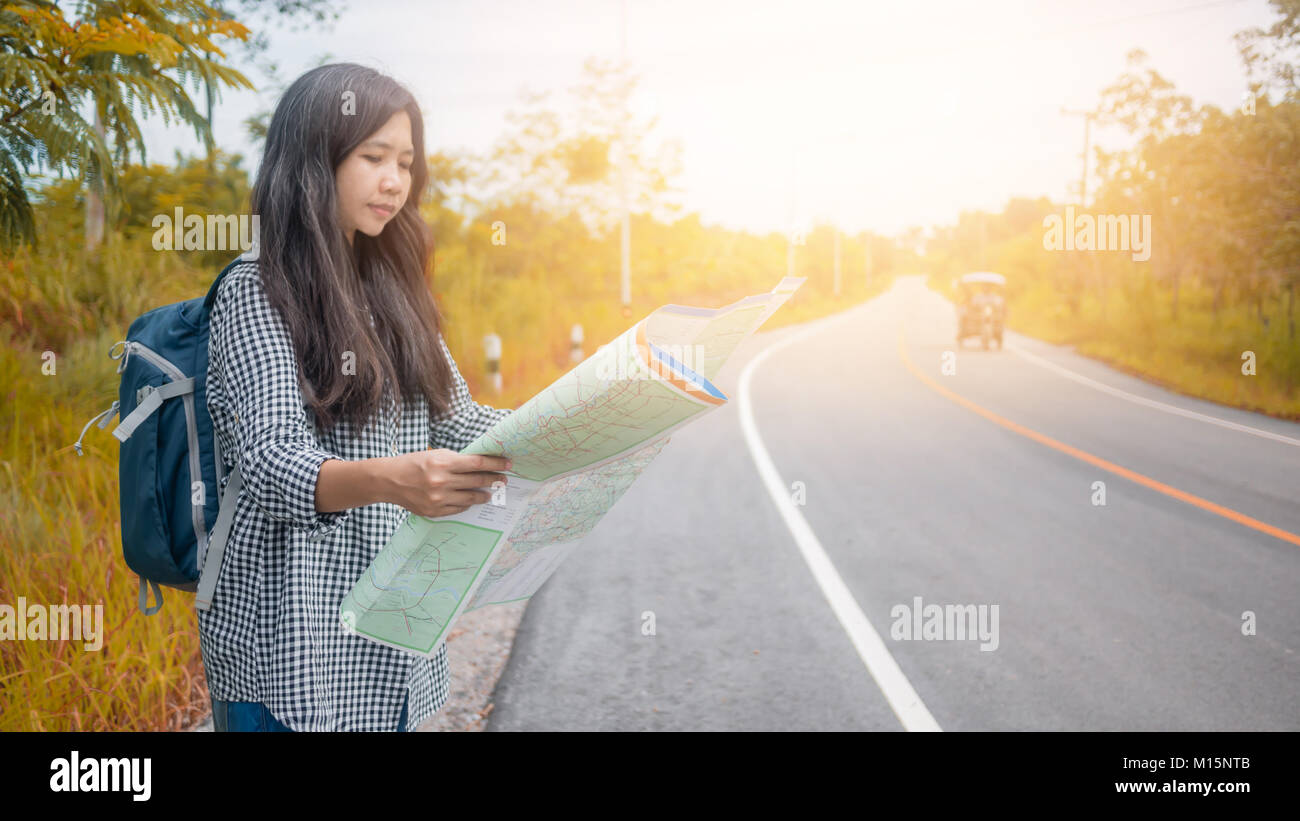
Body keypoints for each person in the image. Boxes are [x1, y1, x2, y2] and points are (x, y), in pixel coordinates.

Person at [200, 63, 513, 732]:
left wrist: (592, 418)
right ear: (314, 158)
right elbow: (272, 464)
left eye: (405, 161)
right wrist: (396, 481)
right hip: (288, 645)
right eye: (374, 157)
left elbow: (458, 421)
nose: (395, 180)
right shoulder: (255, 292)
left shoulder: (394, 294)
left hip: (387, 629)